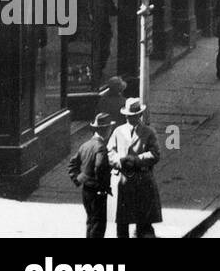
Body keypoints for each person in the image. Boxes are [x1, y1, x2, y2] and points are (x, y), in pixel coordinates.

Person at [108, 98, 162, 238]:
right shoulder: (118, 132)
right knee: (122, 221)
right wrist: (119, 161)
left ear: (140, 116)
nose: (130, 118)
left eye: (133, 116)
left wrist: (136, 160)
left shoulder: (149, 132)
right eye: (128, 116)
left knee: (143, 221)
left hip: (142, 181)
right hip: (123, 182)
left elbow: (155, 154)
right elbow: (110, 152)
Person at [69, 113, 113, 239]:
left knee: (90, 221)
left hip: (86, 190)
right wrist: (103, 186)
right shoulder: (101, 148)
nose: (110, 131)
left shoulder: (85, 145)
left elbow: (72, 164)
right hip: (97, 191)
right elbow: (99, 167)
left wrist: (78, 179)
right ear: (106, 130)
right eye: (109, 128)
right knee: (98, 224)